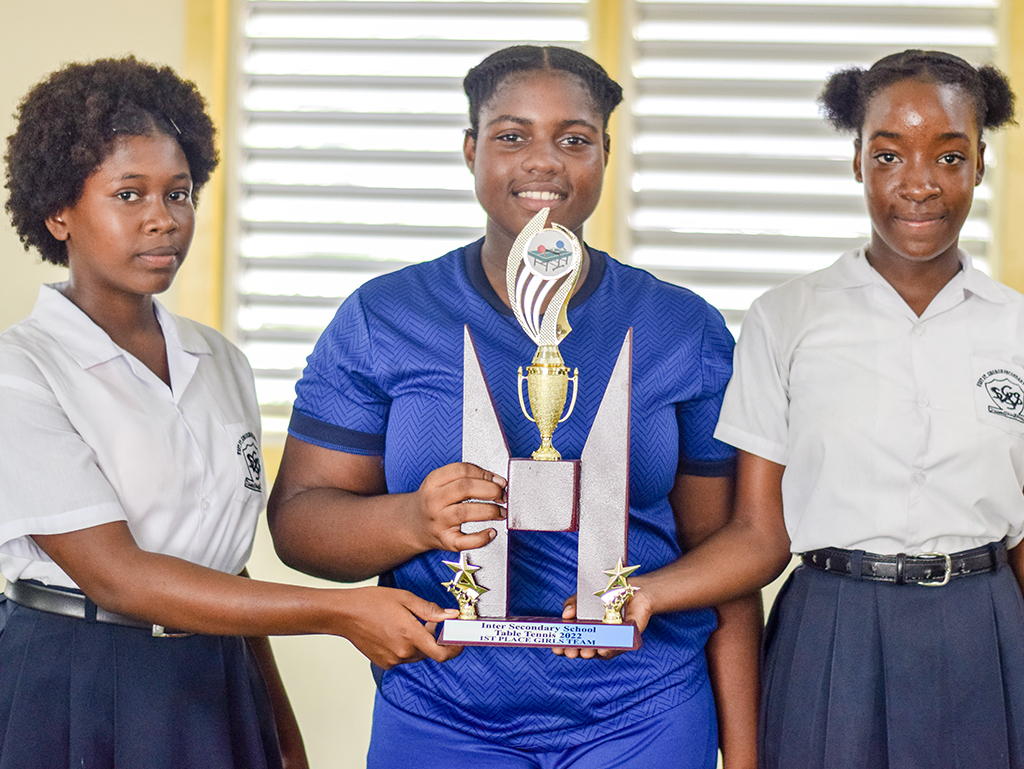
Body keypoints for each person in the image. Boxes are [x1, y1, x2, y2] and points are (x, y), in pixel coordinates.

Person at [268, 45, 762, 769]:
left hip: (642, 711)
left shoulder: (681, 326)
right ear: (471, 150)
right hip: (441, 709)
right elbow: (298, 524)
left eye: (574, 139)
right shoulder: (385, 316)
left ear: (605, 154)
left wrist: (745, 754)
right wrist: (410, 519)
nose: (544, 161)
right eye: (511, 135)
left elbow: (725, 558)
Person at [0, 56, 464, 769]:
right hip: (79, 677)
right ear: (58, 212)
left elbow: (225, 564)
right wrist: (340, 612)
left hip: (215, 676)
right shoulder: (21, 370)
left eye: (178, 193)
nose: (162, 218)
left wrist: (281, 734)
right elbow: (116, 575)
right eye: (129, 194)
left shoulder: (219, 361)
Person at [640, 49, 1024, 768]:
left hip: (985, 626)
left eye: (949, 156)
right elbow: (758, 533)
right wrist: (641, 594)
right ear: (857, 162)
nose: (919, 184)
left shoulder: (1018, 329)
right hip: (831, 629)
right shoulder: (784, 318)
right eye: (889, 155)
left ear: (980, 164)